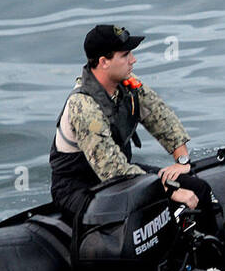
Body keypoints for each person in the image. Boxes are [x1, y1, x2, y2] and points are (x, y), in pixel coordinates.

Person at [49, 24, 214, 224]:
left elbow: (162, 119)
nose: (133, 60)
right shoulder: (83, 106)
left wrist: (182, 162)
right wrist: (170, 190)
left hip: (121, 177)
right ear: (104, 62)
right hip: (79, 190)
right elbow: (112, 170)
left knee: (199, 189)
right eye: (126, 54)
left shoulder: (127, 85)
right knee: (143, 214)